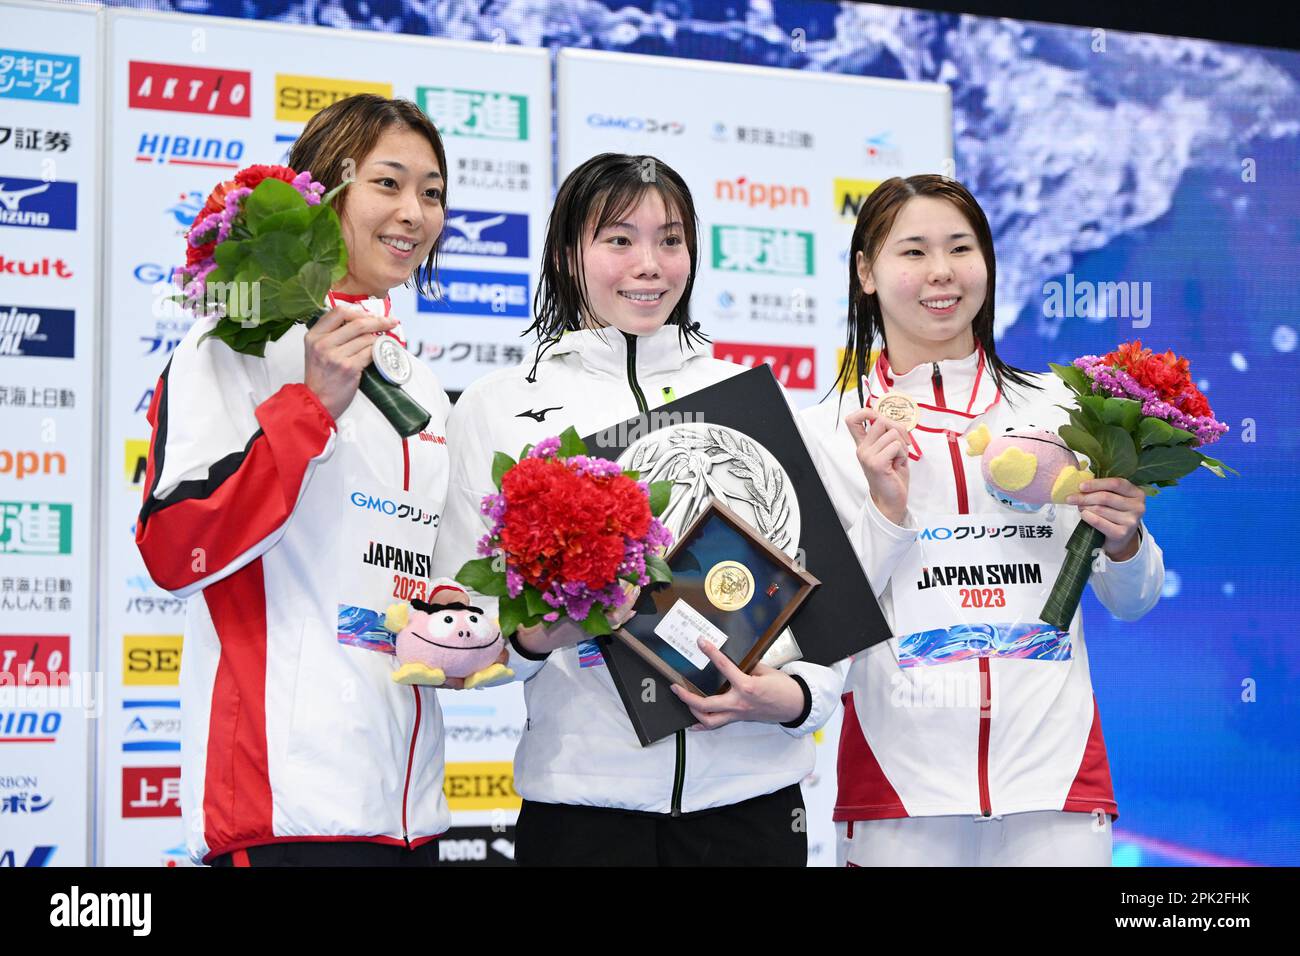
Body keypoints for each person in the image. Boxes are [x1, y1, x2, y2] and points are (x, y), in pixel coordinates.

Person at [432, 152, 841, 866]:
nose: (649, 264)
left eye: (671, 239)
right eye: (619, 239)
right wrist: (536, 638)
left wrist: (793, 698)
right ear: (567, 254)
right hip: (583, 807)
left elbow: (821, 612)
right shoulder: (496, 406)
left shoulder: (746, 398)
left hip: (753, 804)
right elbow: (466, 633)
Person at [800, 174, 1164, 866]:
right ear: (865, 272)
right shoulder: (826, 431)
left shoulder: (1064, 408)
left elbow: (1134, 598)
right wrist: (886, 510)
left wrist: (1125, 540)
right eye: (912, 252)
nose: (942, 272)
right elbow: (820, 619)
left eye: (960, 248)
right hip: (900, 791)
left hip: (1055, 787)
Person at [136, 94, 460, 866]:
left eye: (433, 191)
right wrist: (308, 407)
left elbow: (407, 569)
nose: (413, 211)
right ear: (322, 191)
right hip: (284, 807)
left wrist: (456, 618)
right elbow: (174, 546)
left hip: (408, 811)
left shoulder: (418, 382)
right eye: (387, 182)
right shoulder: (233, 343)